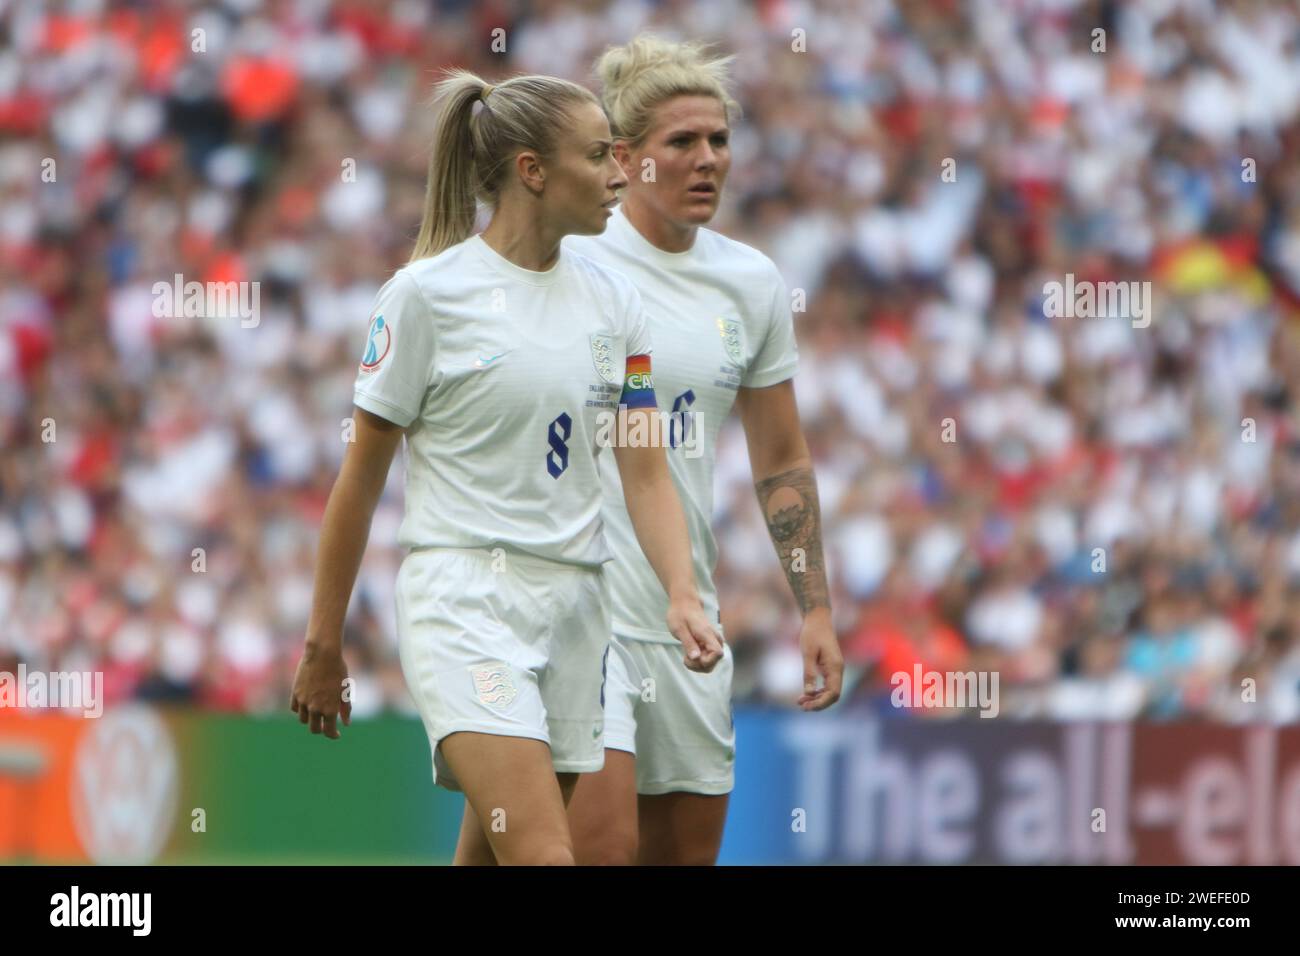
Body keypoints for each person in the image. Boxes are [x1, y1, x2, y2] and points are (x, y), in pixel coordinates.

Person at [290, 69, 723, 867]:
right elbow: (360, 480)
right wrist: (324, 641)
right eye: (598, 157)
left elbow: (647, 471)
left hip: (576, 608)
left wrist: (682, 593)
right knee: (545, 855)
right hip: (466, 603)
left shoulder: (615, 303)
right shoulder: (425, 297)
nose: (620, 176)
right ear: (532, 171)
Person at [456, 36, 844, 866]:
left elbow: (780, 457)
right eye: (683, 143)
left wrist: (814, 605)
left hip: (684, 616)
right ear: (624, 159)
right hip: (569, 611)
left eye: (719, 141)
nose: (708, 161)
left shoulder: (752, 283)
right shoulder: (571, 257)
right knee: (596, 850)